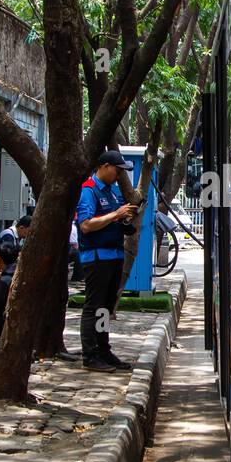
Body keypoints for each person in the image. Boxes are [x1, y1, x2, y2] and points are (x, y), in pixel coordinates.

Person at [76, 149, 139, 372]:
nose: (119, 175)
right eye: (117, 170)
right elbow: (86, 225)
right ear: (104, 167)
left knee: (105, 308)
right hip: (97, 257)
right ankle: (90, 354)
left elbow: (115, 222)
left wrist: (125, 219)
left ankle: (103, 349)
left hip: (114, 255)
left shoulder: (112, 193)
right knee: (93, 307)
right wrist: (115, 215)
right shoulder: (89, 191)